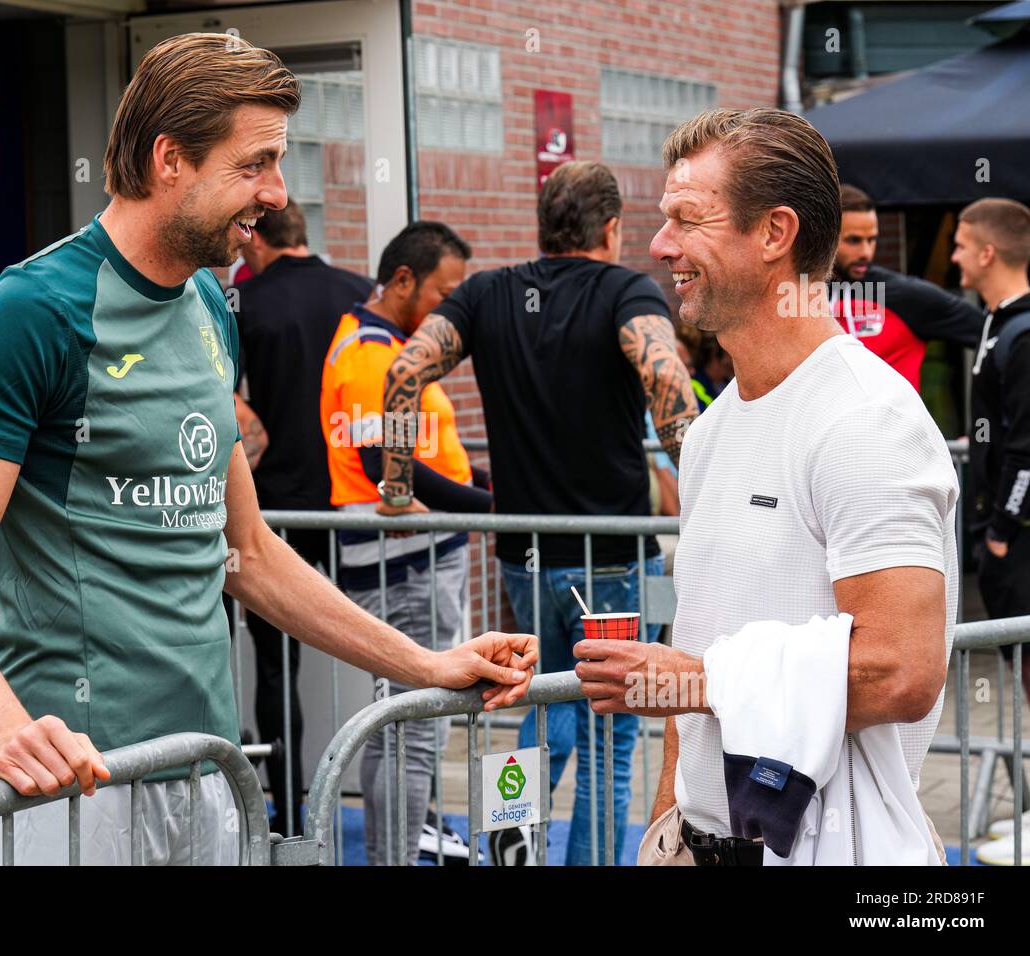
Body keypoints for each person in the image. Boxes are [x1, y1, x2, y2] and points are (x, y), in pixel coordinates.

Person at [0, 32, 536, 866]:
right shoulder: (32, 312)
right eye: (255, 164)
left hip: (208, 771)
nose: (277, 192)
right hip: (74, 783)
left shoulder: (207, 301)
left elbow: (249, 553)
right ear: (169, 160)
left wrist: (425, 664)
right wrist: (5, 730)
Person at [576, 107, 955, 866]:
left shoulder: (866, 420)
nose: (660, 245)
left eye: (689, 219)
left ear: (775, 233)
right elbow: (697, 637)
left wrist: (693, 681)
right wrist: (667, 828)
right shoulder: (713, 430)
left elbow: (903, 671)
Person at [378, 161, 700, 866]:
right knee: (611, 732)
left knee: (537, 712)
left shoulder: (488, 291)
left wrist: (398, 489)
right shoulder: (626, 289)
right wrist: (707, 495)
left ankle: (510, 860)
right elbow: (664, 377)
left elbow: (403, 372)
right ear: (611, 228)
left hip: (522, 557)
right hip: (611, 557)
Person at [320, 221, 491, 865]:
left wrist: (480, 487)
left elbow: (423, 455)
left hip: (411, 558)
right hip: (404, 562)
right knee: (412, 731)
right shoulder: (373, 356)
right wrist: (488, 507)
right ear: (402, 281)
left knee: (402, 726)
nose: (449, 310)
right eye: (442, 293)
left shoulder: (382, 344)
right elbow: (382, 465)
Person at [231, 199, 374, 837]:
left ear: (257, 241)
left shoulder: (245, 302)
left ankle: (288, 816)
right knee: (390, 649)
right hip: (356, 506)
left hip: (279, 510)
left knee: (275, 666)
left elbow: (221, 396)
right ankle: (403, 807)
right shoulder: (359, 292)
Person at [952, 197, 1030, 864]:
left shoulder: (1024, 334)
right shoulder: (995, 325)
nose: (952, 255)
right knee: (1023, 674)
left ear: (987, 252)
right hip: (1008, 539)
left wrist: (1003, 529)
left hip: (1024, 540)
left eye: (959, 244)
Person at [830, 184, 982, 391]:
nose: (866, 252)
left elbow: (991, 334)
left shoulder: (906, 295)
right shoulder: (801, 294)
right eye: (854, 240)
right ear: (826, 237)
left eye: (872, 240)